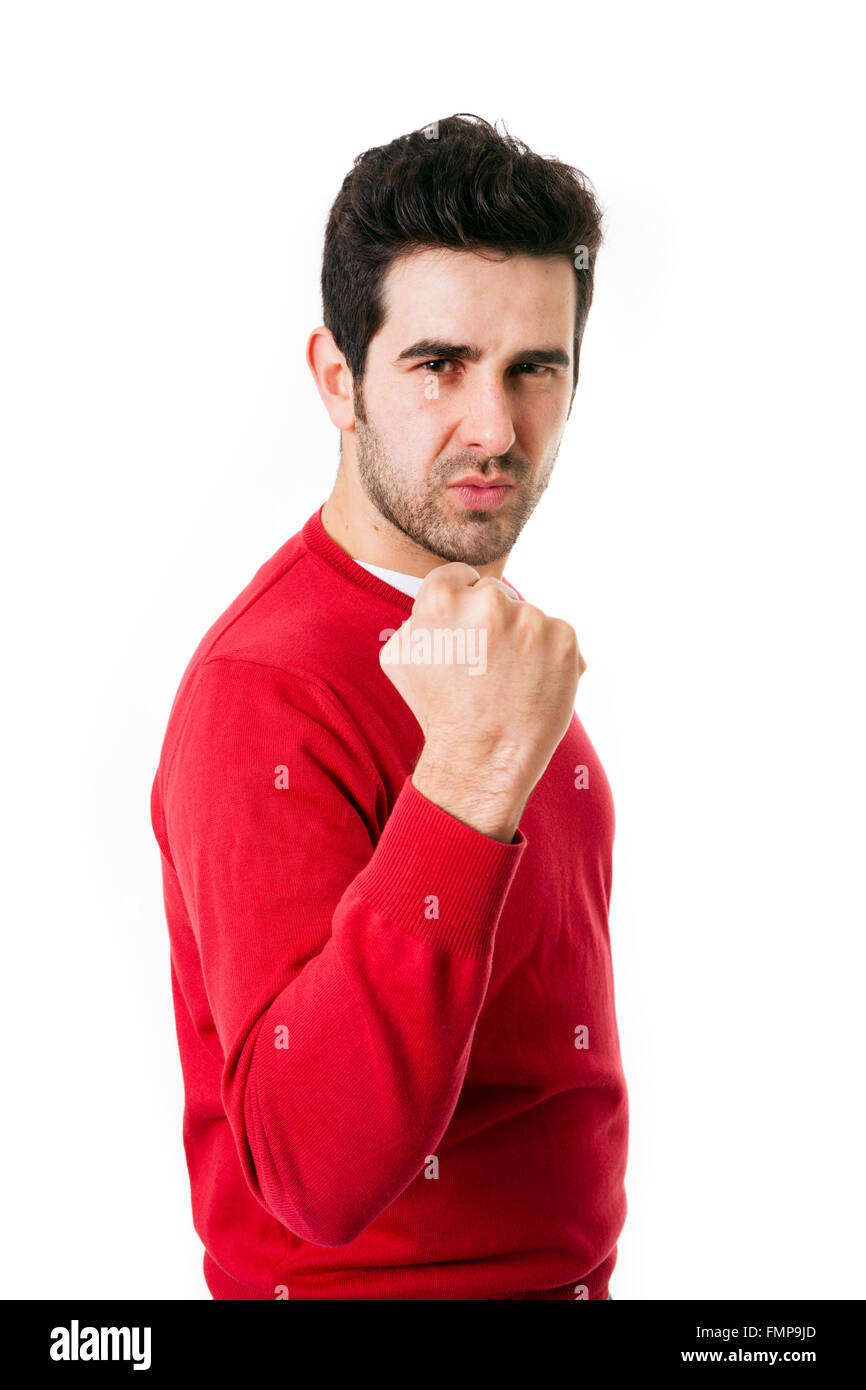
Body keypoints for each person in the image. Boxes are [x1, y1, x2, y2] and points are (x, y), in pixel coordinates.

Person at [150, 113, 628, 1300]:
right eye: (437, 365)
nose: (494, 428)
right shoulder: (266, 693)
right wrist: (465, 779)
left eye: (534, 368)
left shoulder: (483, 634)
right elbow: (310, 1171)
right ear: (337, 380)